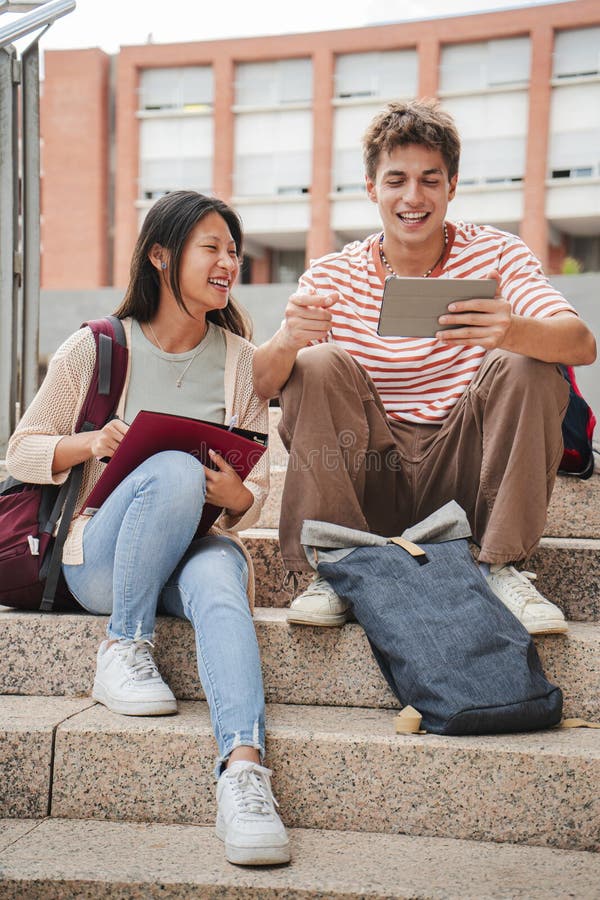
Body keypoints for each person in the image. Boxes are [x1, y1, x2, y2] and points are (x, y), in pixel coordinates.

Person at [6, 191, 290, 867]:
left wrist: (236, 496)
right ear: (161, 256)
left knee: (223, 573)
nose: (228, 263)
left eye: (233, 251)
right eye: (211, 248)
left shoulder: (243, 362)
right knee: (169, 468)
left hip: (190, 548)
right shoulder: (98, 347)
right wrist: (89, 445)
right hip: (100, 556)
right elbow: (20, 452)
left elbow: (260, 485)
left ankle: (244, 776)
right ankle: (123, 646)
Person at [253, 99, 596, 635]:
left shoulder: (499, 254)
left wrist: (510, 329)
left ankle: (500, 565)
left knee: (525, 363)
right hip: (373, 475)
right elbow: (261, 384)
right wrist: (287, 340)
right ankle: (337, 569)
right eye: (396, 180)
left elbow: (580, 343)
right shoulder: (332, 273)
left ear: (451, 186)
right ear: (372, 188)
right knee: (315, 361)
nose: (413, 198)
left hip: (464, 474)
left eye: (429, 180)